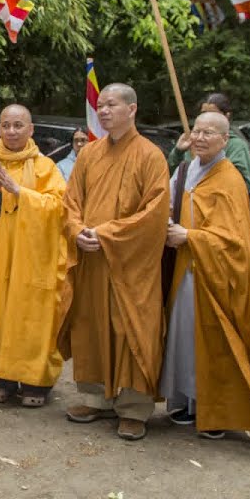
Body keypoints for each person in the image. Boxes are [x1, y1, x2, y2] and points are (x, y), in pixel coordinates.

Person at [58, 83, 170, 441]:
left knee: (131, 330)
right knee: (92, 325)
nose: (104, 111)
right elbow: (70, 202)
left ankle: (134, 407)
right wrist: (77, 231)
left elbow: (155, 215)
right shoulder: (89, 155)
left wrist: (105, 234)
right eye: (100, 105)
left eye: (111, 105)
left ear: (132, 109)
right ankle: (96, 398)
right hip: (92, 259)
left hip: (131, 265)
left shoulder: (151, 156)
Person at [160, 112, 250, 440]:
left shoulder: (229, 180)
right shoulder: (186, 170)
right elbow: (167, 204)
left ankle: (218, 411)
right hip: (187, 269)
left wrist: (190, 236)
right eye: (196, 131)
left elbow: (235, 239)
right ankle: (189, 402)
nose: (200, 137)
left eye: (209, 133)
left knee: (216, 341)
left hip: (216, 274)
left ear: (225, 140)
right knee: (185, 337)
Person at [0, 104, 68, 408]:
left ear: (31, 130)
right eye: (6, 125)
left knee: (32, 317)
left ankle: (34, 382)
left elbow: (59, 209)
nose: (11, 132)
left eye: (18, 125)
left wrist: (20, 192)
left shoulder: (45, 168)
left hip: (33, 259)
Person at [168, 93, 250, 185]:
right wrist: (178, 152)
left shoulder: (236, 145)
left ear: (226, 116)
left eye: (213, 114)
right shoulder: (193, 142)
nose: (207, 117)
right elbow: (173, 175)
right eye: (204, 113)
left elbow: (241, 184)